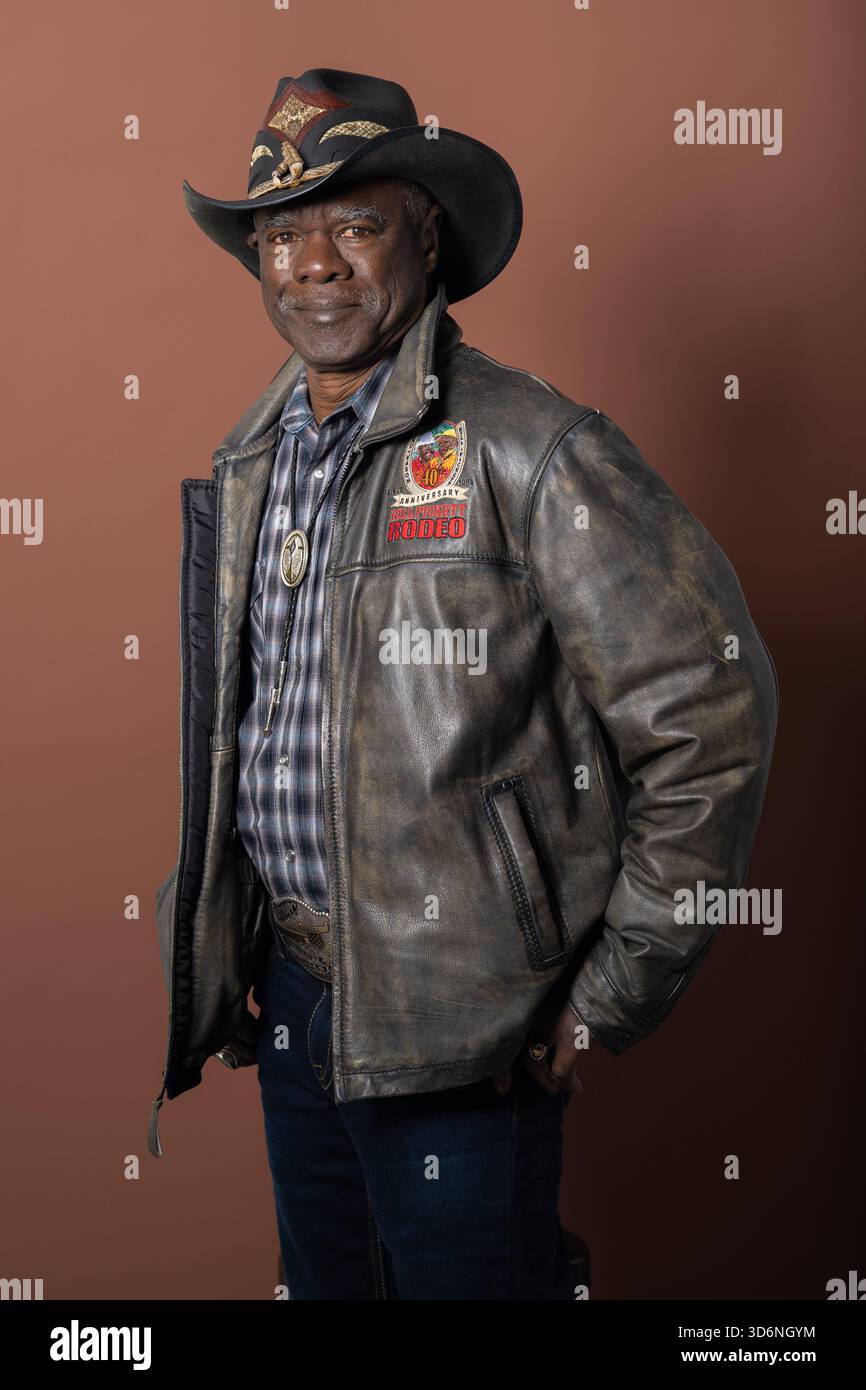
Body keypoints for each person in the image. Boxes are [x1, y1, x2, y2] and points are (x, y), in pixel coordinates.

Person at [149, 68, 779, 1300]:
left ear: (423, 234)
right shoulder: (249, 459)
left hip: (461, 1037)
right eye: (281, 233)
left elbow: (711, 716)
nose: (312, 262)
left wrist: (604, 994)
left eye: (353, 222)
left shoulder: (529, 449)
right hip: (294, 1007)